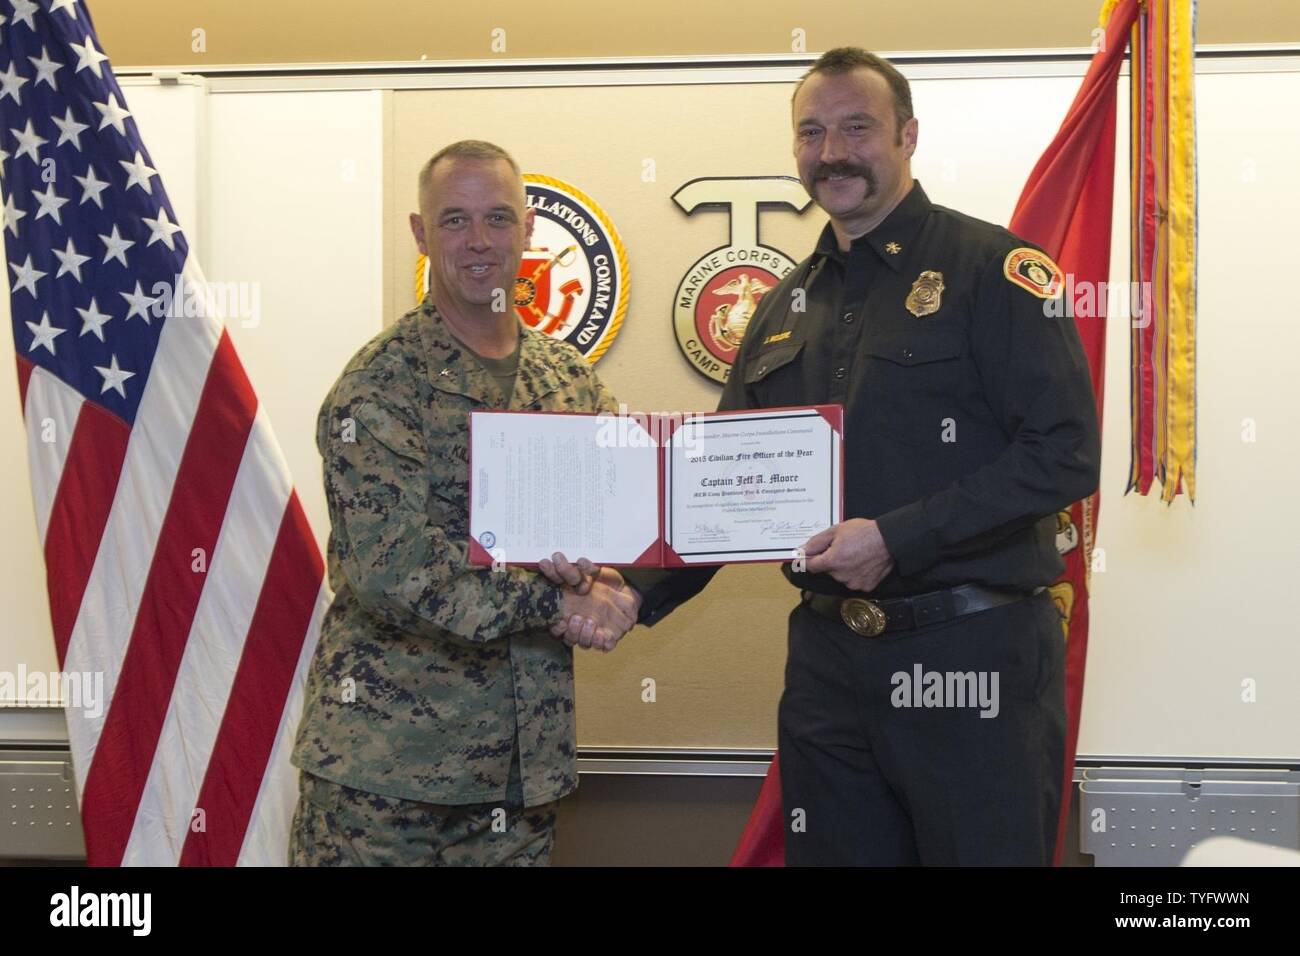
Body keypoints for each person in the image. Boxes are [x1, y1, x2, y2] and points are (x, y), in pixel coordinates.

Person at [610, 48, 1102, 865]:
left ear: (908, 135)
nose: (832, 151)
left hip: (972, 663)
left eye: (857, 127)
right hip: (829, 670)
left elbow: (1064, 454)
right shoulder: (779, 306)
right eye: (811, 132)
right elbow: (720, 486)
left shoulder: (994, 271)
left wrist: (897, 539)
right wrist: (629, 592)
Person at [289, 140, 640, 866]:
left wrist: (621, 582)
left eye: (498, 218)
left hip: (520, 781)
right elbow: (397, 572)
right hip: (385, 784)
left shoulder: (570, 384)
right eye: (454, 221)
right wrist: (555, 604)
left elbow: (625, 519)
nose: (479, 242)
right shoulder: (380, 386)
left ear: (528, 229)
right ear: (421, 234)